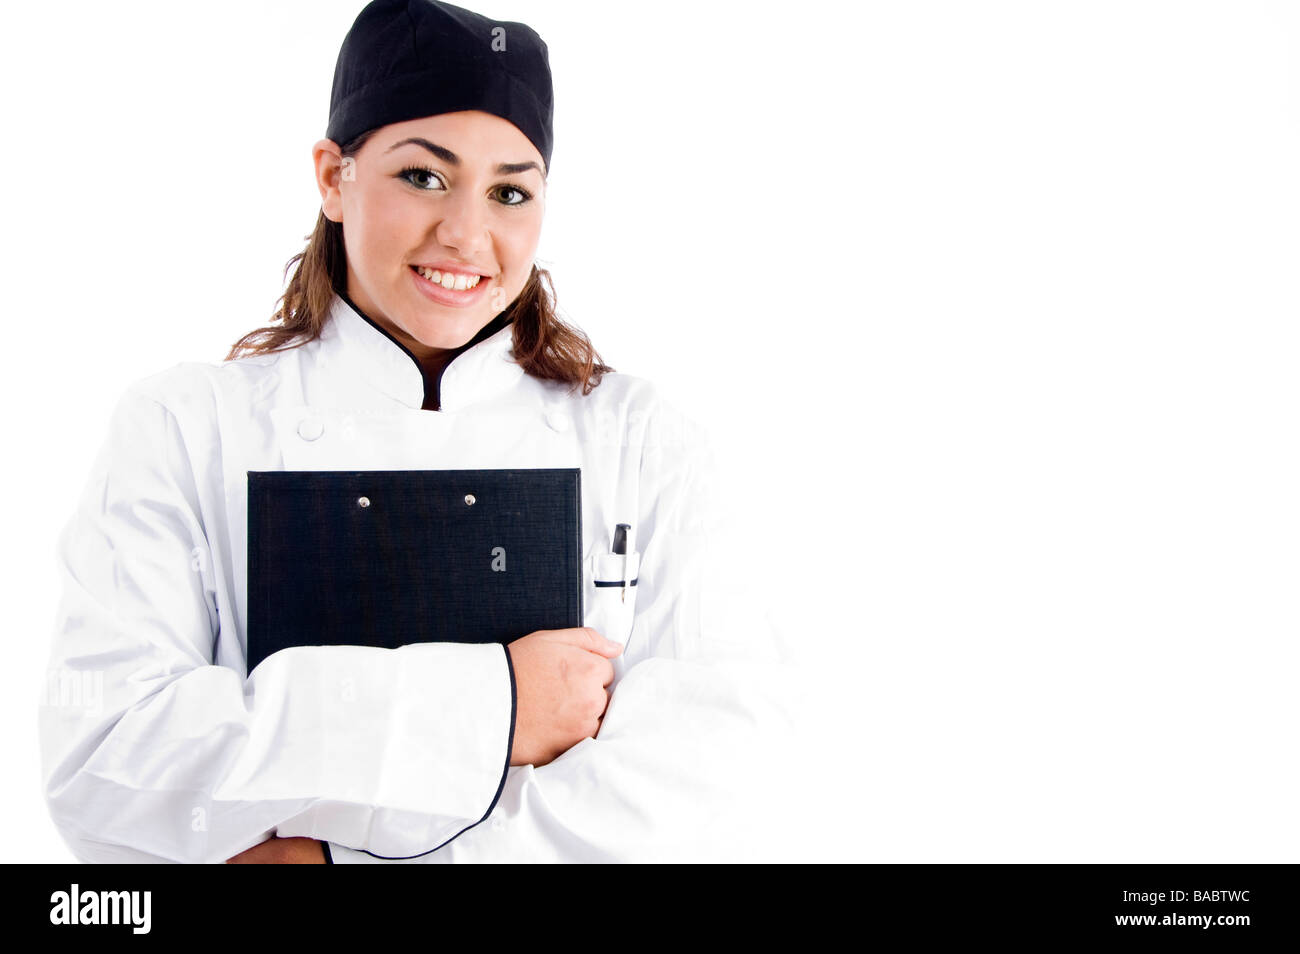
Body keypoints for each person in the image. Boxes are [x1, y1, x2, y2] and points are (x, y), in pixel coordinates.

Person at [38, 0, 789, 864]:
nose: (467, 235)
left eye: (511, 191)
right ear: (333, 177)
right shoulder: (184, 428)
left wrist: (329, 858)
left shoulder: (643, 441)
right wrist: (500, 702)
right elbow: (108, 762)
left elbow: (715, 773)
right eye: (423, 177)